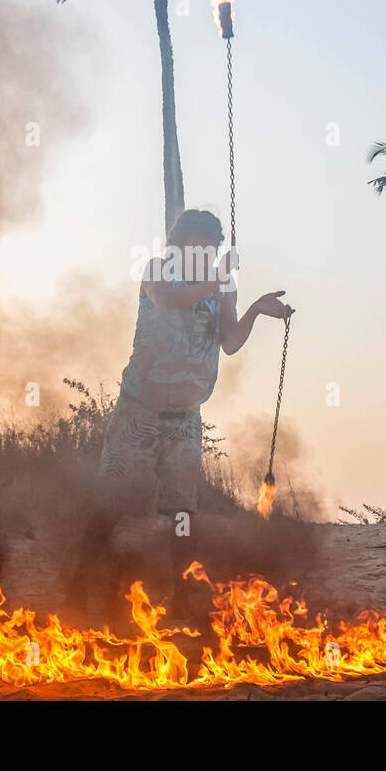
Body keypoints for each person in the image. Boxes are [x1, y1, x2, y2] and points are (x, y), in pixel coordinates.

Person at [66, 208, 293, 623]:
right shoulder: (158, 271)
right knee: (110, 501)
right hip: (141, 407)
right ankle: (78, 588)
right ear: (179, 245)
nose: (204, 252)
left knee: (182, 511)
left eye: (211, 247)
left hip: (186, 415)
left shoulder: (221, 285)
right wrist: (218, 277)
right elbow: (169, 304)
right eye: (196, 245)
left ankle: (184, 600)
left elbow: (229, 342)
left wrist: (255, 309)